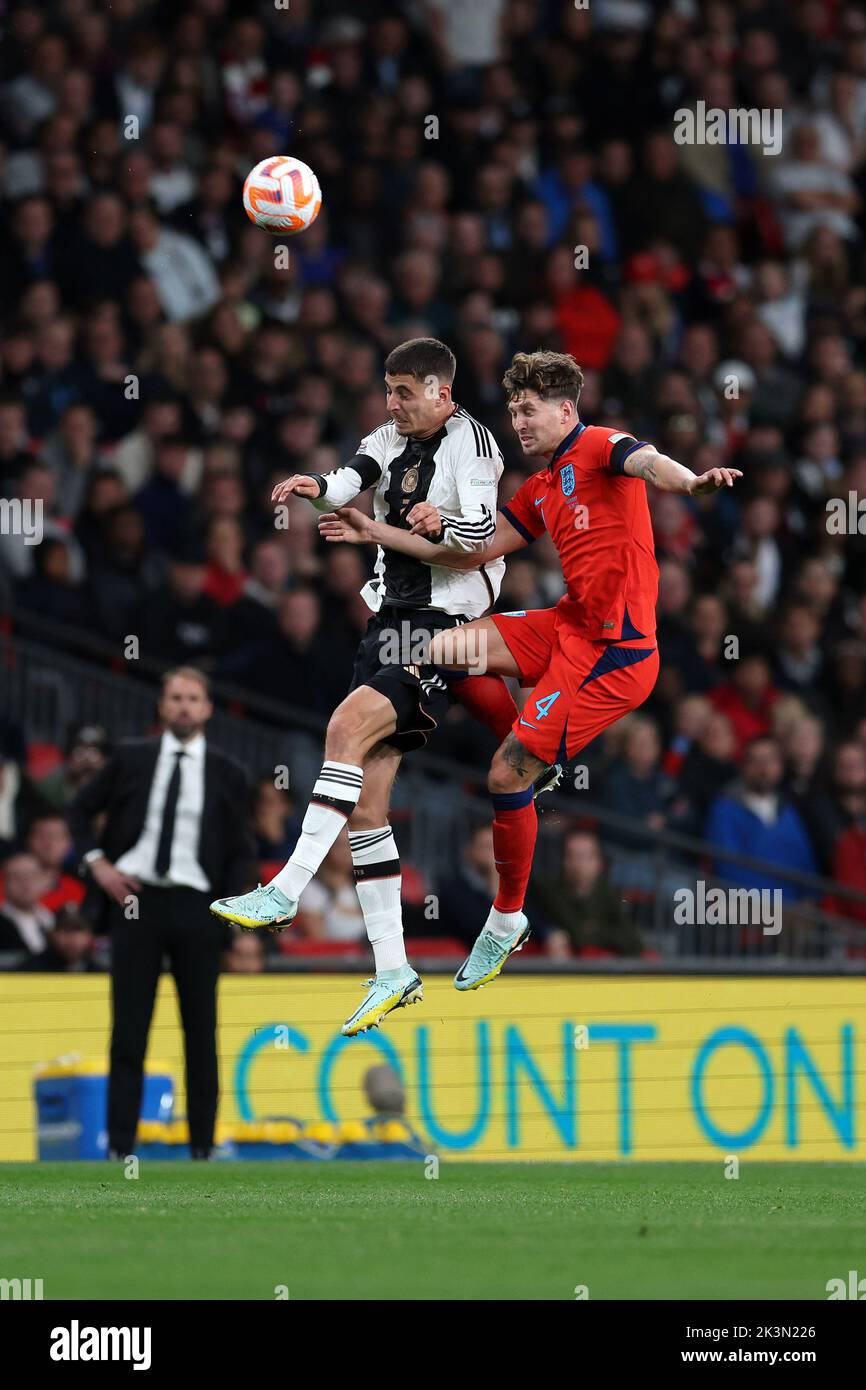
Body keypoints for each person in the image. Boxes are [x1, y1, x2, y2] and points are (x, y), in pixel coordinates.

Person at [318, 349, 742, 989]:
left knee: (504, 774)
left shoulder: (600, 446)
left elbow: (650, 462)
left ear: (565, 408)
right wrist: (374, 533)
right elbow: (469, 555)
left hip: (616, 655)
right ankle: (531, 756)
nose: (518, 420)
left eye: (529, 409)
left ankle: (506, 918)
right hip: (567, 624)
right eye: (513, 409)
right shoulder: (541, 487)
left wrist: (693, 483)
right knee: (440, 648)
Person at [211, 337, 558, 1036]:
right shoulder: (388, 436)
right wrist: (314, 487)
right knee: (369, 806)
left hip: (441, 622)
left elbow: (485, 532)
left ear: (441, 391)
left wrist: (444, 519)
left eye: (404, 392)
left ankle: (285, 888)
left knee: (342, 729)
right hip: (387, 618)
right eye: (388, 390)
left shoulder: (475, 445)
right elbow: (350, 476)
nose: (391, 403)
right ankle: (394, 969)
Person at [67, 666, 255, 1160]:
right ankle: (120, 1147)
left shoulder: (228, 772)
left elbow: (241, 852)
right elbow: (78, 811)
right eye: (175, 697)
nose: (184, 706)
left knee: (200, 1030)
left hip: (199, 908)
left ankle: (202, 1148)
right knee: (129, 1028)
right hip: (136, 901)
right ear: (161, 706)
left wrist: (231, 911)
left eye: (193, 697)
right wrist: (97, 865)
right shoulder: (130, 758)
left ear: (208, 708)